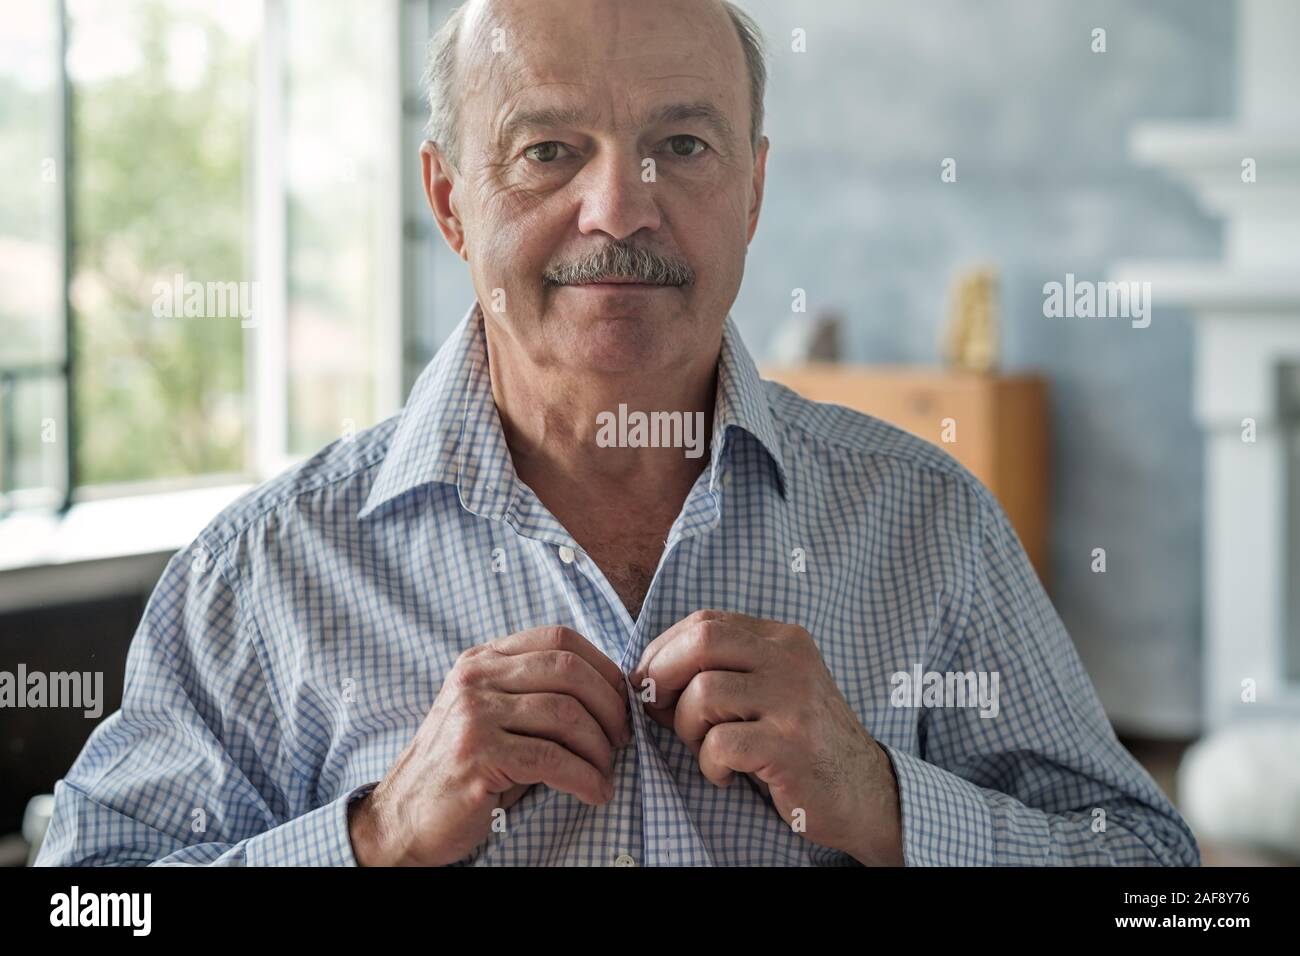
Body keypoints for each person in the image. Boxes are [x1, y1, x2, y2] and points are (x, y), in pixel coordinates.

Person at [37, 0, 1199, 867]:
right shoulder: (263, 571)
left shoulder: (929, 524)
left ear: (752, 192)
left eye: (681, 147)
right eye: (548, 150)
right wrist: (376, 833)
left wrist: (887, 800)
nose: (620, 208)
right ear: (448, 201)